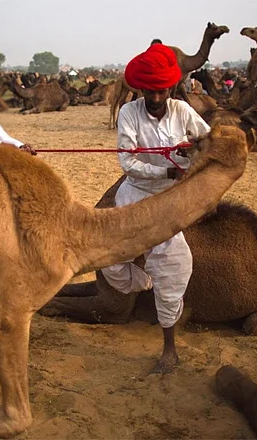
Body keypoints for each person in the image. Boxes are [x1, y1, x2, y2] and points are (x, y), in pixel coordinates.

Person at [101, 43, 210, 373]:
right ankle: (145, 282)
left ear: (171, 88)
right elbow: (128, 163)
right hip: (134, 197)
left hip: (169, 201)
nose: (157, 97)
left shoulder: (183, 111)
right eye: (151, 90)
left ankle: (169, 350)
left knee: (175, 268)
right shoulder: (128, 113)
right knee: (110, 264)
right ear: (141, 88)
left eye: (162, 90)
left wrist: (192, 151)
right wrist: (166, 171)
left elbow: (208, 141)